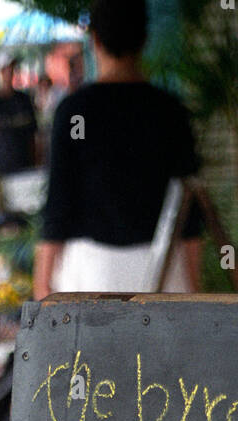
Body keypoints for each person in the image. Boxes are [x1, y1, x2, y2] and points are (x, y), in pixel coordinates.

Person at [34, 0, 203, 297]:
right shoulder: (170, 110)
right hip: (162, 266)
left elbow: (59, 201)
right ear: (144, 39)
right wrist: (193, 286)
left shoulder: (75, 110)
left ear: (95, 39)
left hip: (91, 270)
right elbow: (189, 207)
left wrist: (42, 285)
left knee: (90, 347)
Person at [0, 54, 38, 189]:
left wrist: (36, 161)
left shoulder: (23, 100)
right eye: (5, 69)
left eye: (11, 69)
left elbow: (33, 135)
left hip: (24, 168)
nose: (9, 73)